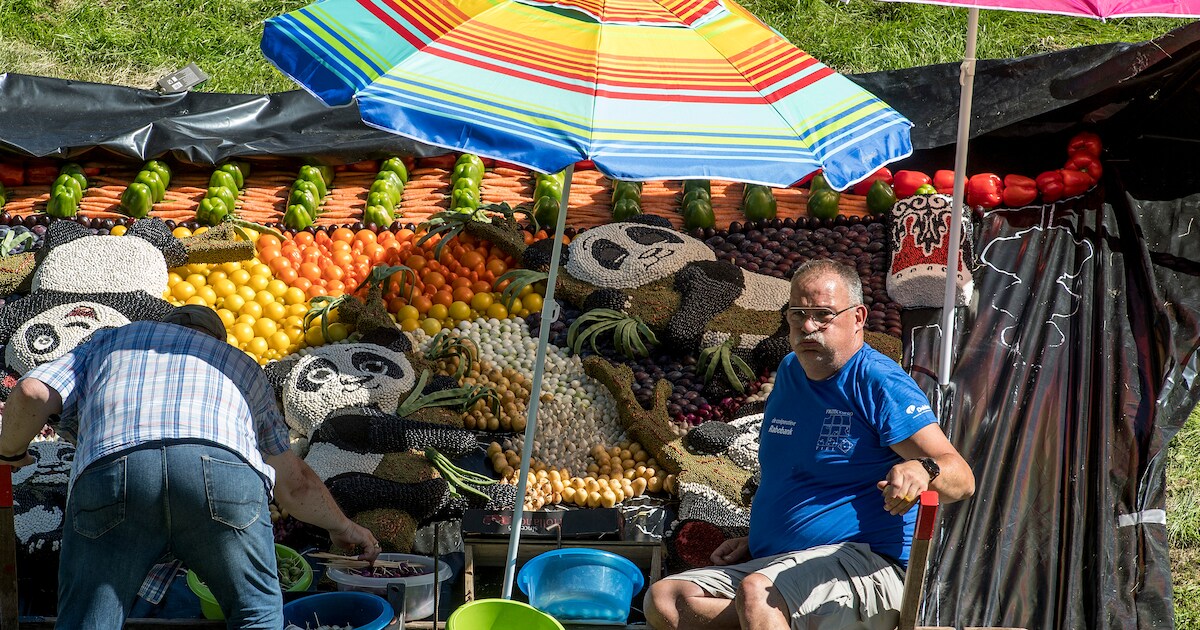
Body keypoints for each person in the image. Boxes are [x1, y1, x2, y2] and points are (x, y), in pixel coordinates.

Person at [0, 305, 381, 629]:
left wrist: (9, 454)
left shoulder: (111, 339)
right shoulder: (239, 364)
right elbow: (294, 485)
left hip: (114, 471)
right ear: (218, 340)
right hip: (222, 473)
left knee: (89, 621)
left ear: (163, 326)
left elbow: (32, 392)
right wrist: (344, 528)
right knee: (256, 615)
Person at [645, 260, 975, 630]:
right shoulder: (790, 371)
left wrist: (923, 469)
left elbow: (962, 479)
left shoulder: (878, 382)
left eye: (823, 315)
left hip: (865, 567)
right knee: (666, 600)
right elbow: (798, 478)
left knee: (759, 596)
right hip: (776, 565)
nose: (807, 326)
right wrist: (757, 539)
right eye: (798, 314)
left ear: (858, 318)